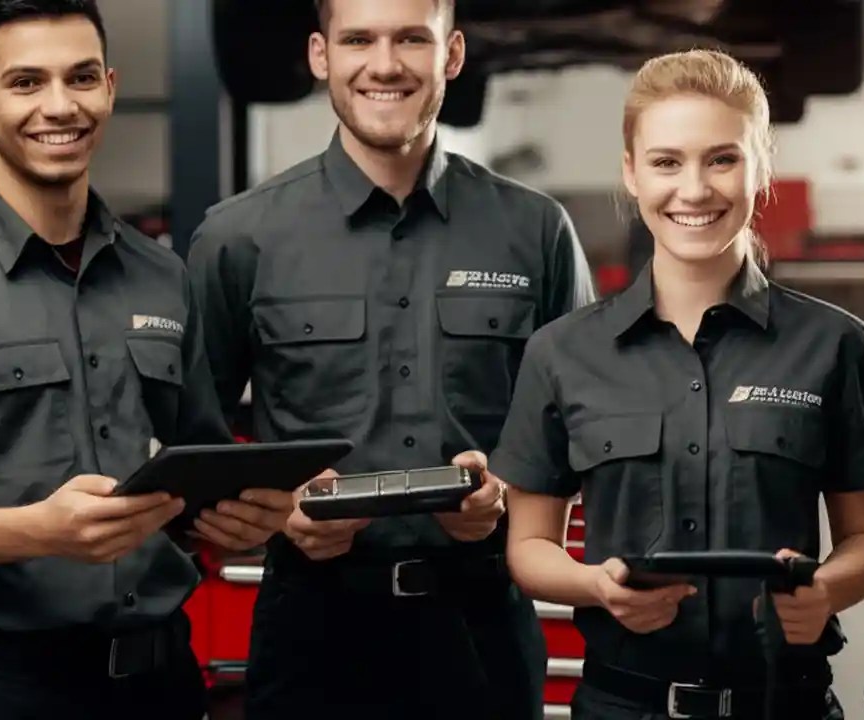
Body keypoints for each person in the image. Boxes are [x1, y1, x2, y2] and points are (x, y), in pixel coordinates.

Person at [186, 0, 596, 717]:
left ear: (453, 54)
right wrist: (283, 513)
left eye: (412, 38)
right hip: (311, 632)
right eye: (358, 40)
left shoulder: (534, 231)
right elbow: (195, 441)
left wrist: (503, 497)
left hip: (482, 631)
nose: (384, 64)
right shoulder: (237, 238)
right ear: (321, 55)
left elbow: (586, 433)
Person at [0, 2, 295, 718]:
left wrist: (244, 515)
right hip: (3, 689)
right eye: (26, 82)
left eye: (81, 77)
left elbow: (196, 466)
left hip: (164, 682)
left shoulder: (161, 276)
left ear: (110, 87)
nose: (60, 106)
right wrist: (35, 530)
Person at [490, 49, 864, 720]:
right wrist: (596, 586)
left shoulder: (835, 345)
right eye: (667, 162)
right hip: (624, 706)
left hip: (782, 706)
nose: (695, 189)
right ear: (631, 173)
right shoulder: (562, 352)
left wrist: (824, 589)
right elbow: (530, 547)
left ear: (760, 167)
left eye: (722, 159)